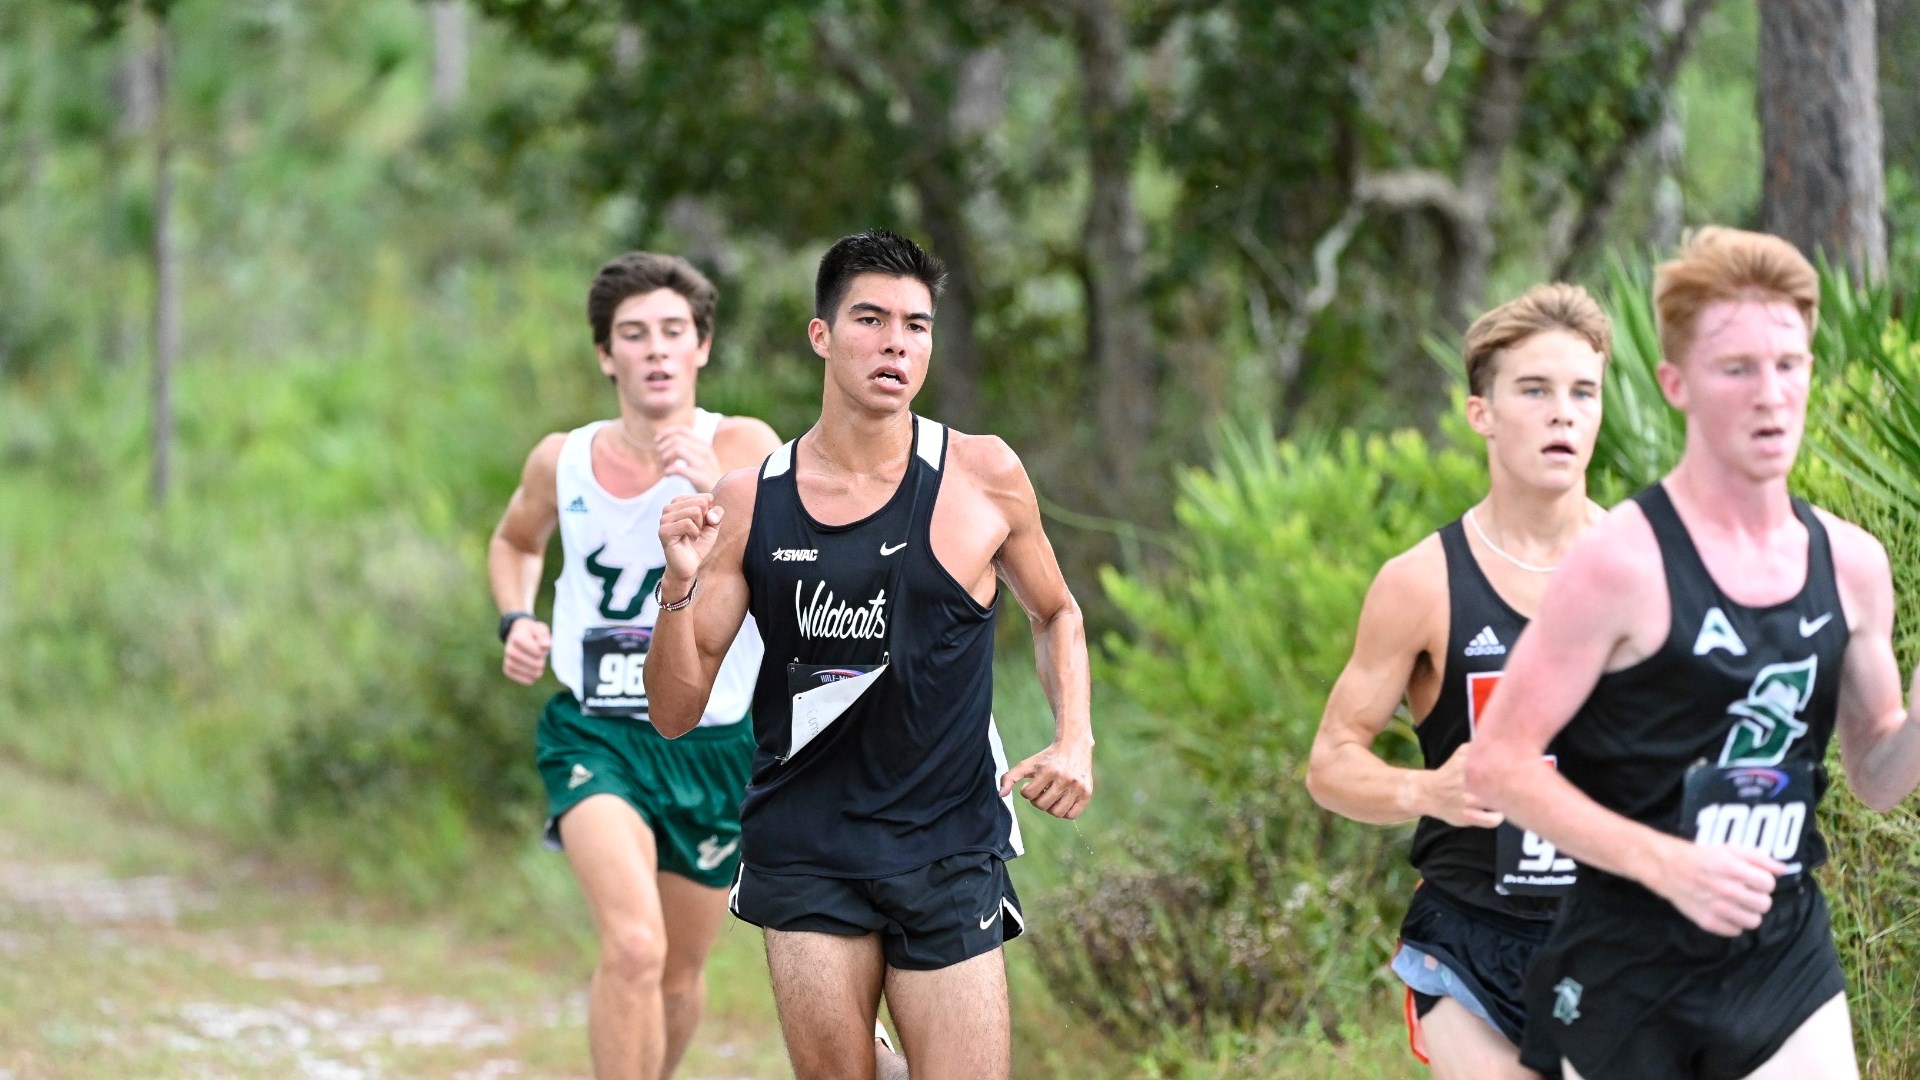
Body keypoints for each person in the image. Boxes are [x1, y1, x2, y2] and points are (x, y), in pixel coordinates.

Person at [642, 228, 1095, 1080]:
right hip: (805, 843)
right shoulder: (750, 502)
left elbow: (1057, 612)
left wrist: (1077, 738)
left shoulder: (984, 475)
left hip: (949, 843)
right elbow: (673, 712)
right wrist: (676, 587)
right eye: (871, 319)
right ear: (821, 335)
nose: (896, 342)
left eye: (916, 325)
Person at [1469, 227, 1920, 1080]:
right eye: (1737, 369)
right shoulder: (1620, 563)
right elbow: (1497, 767)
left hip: (1783, 964)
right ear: (1676, 385)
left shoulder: (1853, 565)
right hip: (1628, 973)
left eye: (1789, 364)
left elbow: (1877, 776)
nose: (1771, 396)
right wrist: (1671, 865)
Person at [1306, 283, 1612, 1079]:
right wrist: (1425, 793)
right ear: (1482, 412)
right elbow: (1331, 762)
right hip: (1472, 937)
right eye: (1535, 390)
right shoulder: (1421, 583)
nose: (1563, 413)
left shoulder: (1647, 567)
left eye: (1584, 391)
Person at [487, 251, 780, 1080]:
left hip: (713, 740)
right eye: (633, 334)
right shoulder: (563, 460)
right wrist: (518, 617)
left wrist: (721, 495)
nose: (655, 349)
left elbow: (800, 565)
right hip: (597, 733)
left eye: (673, 332)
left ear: (702, 348)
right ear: (605, 355)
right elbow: (515, 541)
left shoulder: (747, 445)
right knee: (634, 944)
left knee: (680, 974)